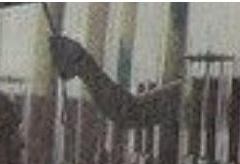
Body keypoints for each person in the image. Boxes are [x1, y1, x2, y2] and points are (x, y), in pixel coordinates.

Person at [48, 34, 180, 126]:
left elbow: (130, 111)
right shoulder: (191, 90)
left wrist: (82, 63)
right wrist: (82, 63)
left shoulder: (192, 90)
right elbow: (131, 110)